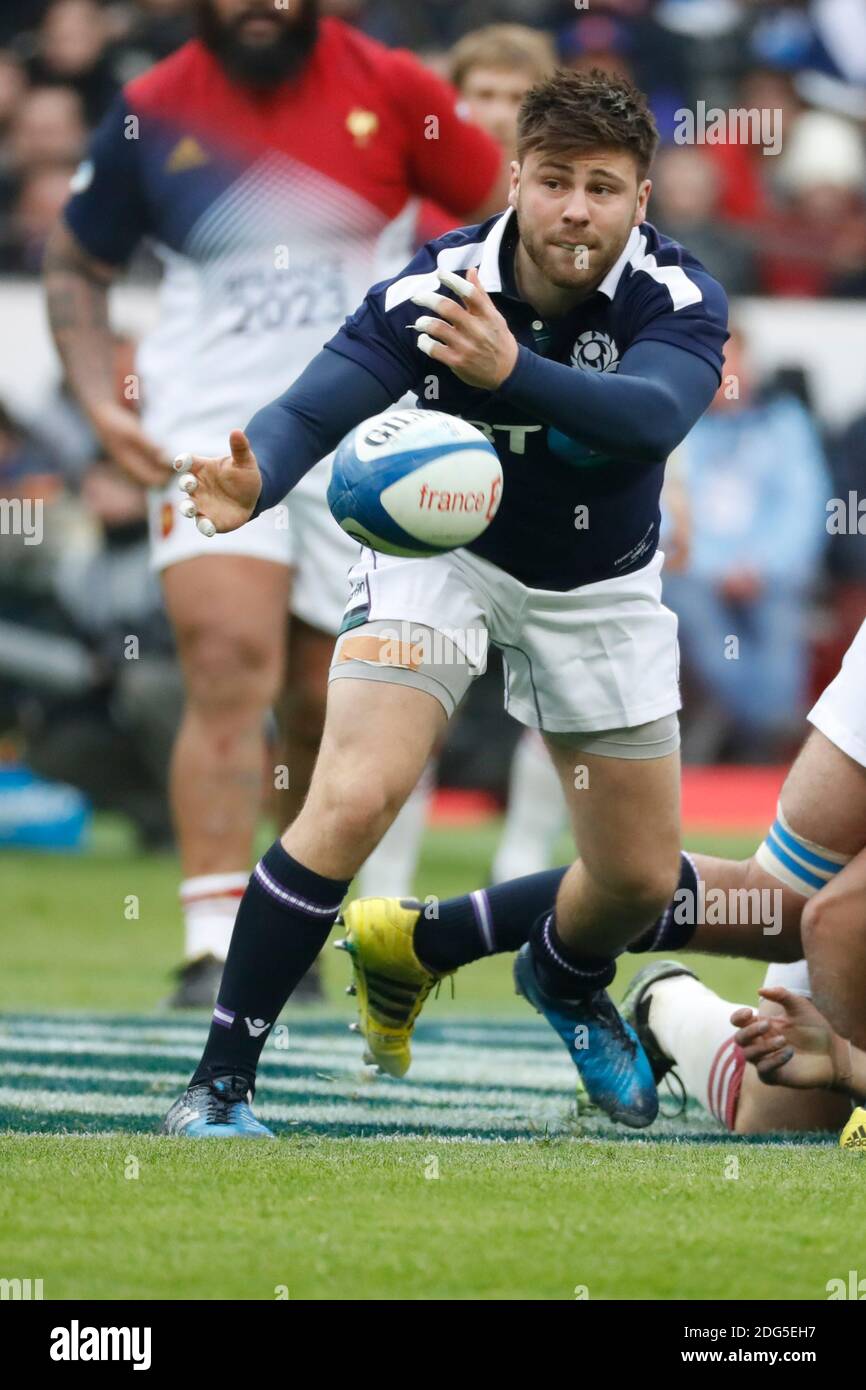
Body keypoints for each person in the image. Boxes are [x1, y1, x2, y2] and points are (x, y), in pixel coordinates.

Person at [160, 66, 729, 1138]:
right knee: (352, 796)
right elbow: (319, 398)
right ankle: (218, 1084)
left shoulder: (679, 294)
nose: (573, 208)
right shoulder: (436, 284)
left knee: (638, 879)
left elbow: (650, 417)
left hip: (598, 580)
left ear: (639, 201)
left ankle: (558, 978)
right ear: (514, 177)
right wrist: (257, 475)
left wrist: (510, 368)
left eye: (602, 188)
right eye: (553, 179)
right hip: (442, 556)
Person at [44, 0, 506, 1006]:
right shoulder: (151, 109)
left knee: (318, 698)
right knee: (224, 664)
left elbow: (508, 216)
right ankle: (212, 938)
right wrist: (95, 401)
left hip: (360, 439)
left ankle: (288, 921)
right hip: (211, 429)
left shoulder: (392, 89)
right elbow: (77, 260)